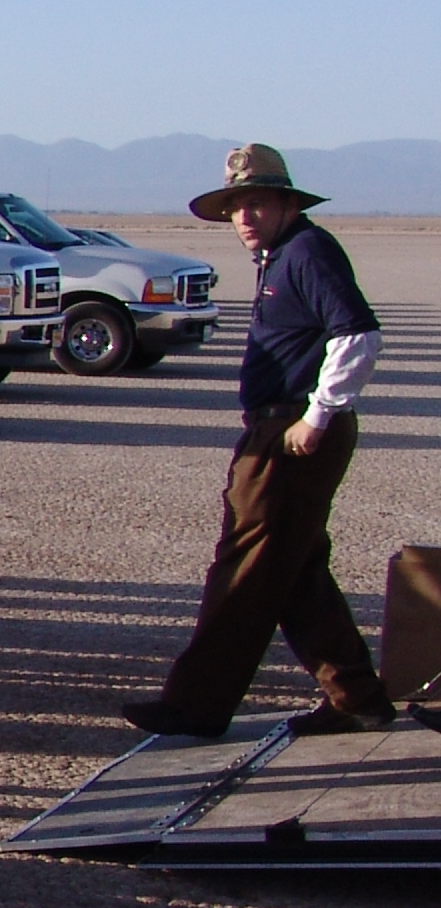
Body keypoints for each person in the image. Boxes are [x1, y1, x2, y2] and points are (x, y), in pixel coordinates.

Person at [127, 145, 397, 738]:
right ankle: (357, 697)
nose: (244, 217)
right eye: (236, 207)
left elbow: (358, 335)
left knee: (245, 567)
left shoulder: (307, 251)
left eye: (256, 203)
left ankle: (195, 706)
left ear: (284, 204)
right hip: (282, 427)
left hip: (292, 433)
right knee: (296, 572)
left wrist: (317, 416)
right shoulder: (285, 254)